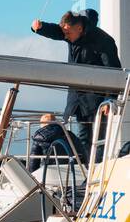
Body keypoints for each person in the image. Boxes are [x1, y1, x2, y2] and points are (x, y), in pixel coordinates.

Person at [31, 9, 121, 149]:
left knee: (99, 140)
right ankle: (85, 168)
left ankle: (97, 167)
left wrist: (109, 99)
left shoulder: (103, 40)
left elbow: (113, 70)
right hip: (78, 100)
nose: (65, 36)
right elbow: (57, 31)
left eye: (67, 33)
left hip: (97, 100)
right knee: (83, 139)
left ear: (79, 28)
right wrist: (40, 28)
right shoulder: (72, 32)